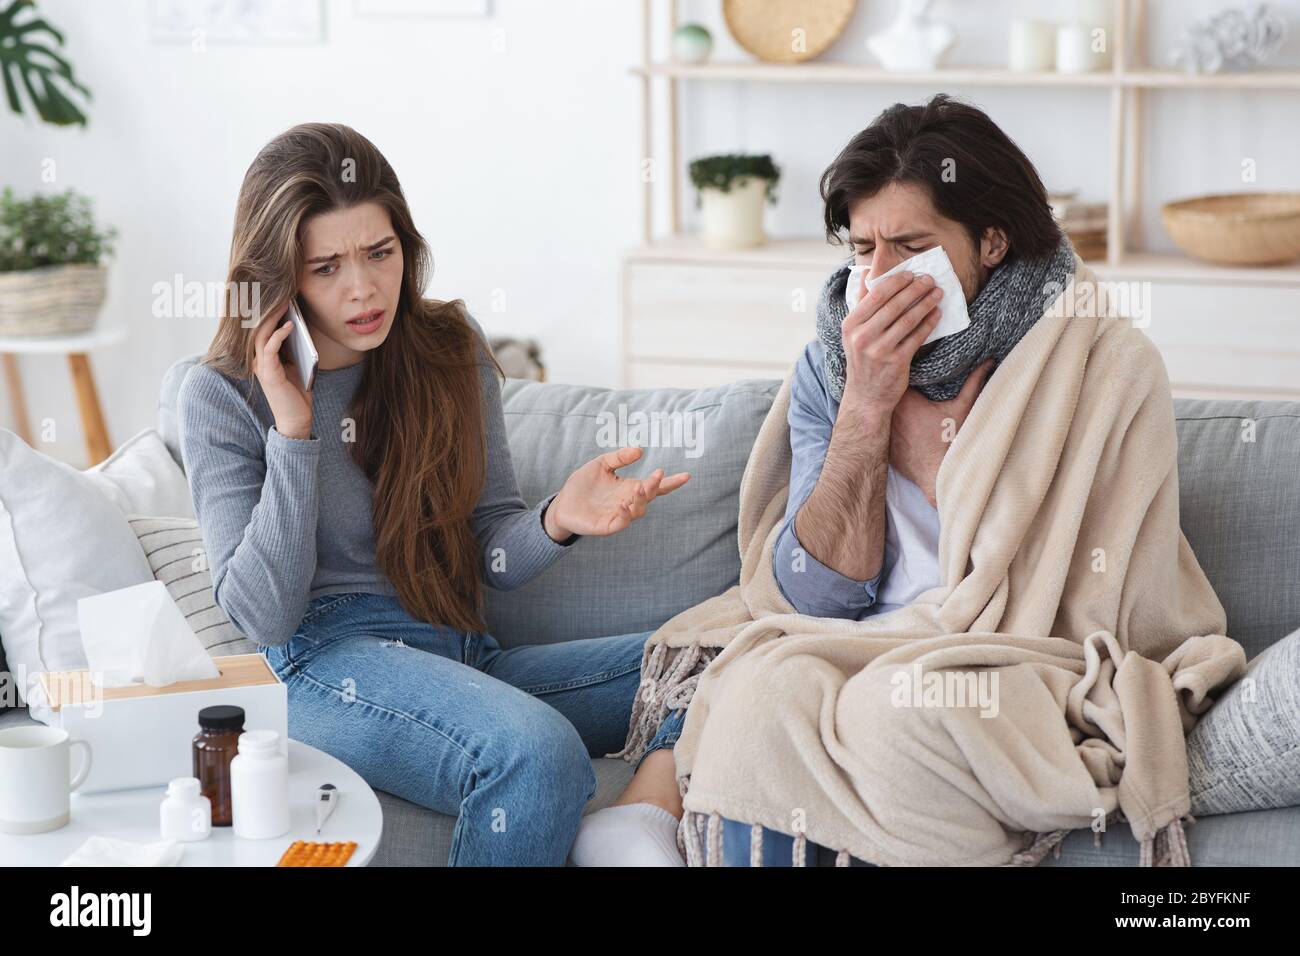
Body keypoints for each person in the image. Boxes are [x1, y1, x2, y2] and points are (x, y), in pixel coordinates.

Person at [574, 93, 1079, 866]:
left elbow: (1067, 590)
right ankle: (655, 801)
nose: (875, 279)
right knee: (757, 699)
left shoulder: (1080, 356)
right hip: (842, 639)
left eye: (909, 247)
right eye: (862, 247)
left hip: (997, 650)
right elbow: (815, 596)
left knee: (859, 708)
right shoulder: (833, 366)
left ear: (993, 241)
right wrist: (868, 409)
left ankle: (653, 793)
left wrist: (934, 461)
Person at [178, 122, 690, 866]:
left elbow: (492, 549)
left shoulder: (448, 348)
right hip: (327, 661)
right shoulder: (222, 394)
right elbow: (264, 614)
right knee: (535, 754)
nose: (364, 288)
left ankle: (636, 819)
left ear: (405, 248)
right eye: (326, 268)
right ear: (280, 276)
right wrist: (293, 431)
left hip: (462, 655)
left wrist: (556, 520)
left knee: (715, 660)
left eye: (379, 254)